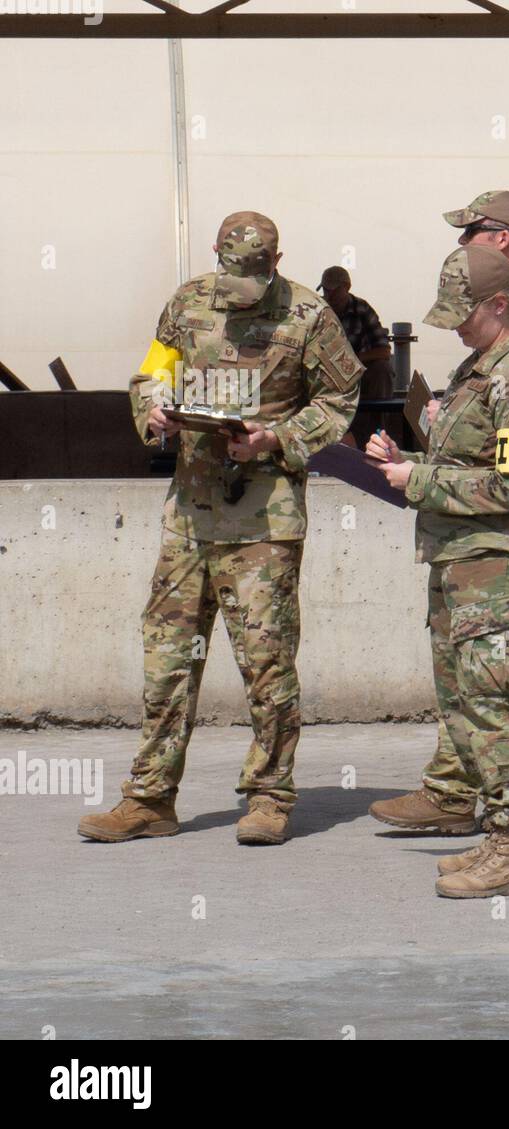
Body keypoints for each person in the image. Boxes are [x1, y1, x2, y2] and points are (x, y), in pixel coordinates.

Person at [78, 211, 363, 846]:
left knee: (267, 665)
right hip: (189, 516)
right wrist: (154, 413)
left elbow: (340, 401)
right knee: (166, 662)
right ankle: (150, 798)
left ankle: (269, 797)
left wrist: (276, 437)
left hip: (264, 520)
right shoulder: (186, 303)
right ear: (216, 257)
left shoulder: (311, 316)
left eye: (256, 282)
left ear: (277, 263)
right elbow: (152, 370)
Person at [369, 191, 509, 832]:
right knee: (481, 676)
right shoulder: (481, 359)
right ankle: (475, 794)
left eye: (463, 314)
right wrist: (411, 450)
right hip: (467, 544)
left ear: (497, 302)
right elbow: (482, 442)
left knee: (508, 676)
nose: (455, 326)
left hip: (502, 545)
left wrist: (418, 479)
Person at [319, 265, 397, 445]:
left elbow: (384, 350)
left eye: (334, 290)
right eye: (325, 290)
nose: (329, 296)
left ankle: (376, 434)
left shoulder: (362, 310)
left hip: (358, 374)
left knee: (381, 370)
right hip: (325, 374)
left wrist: (354, 361)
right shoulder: (319, 311)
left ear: (347, 287)